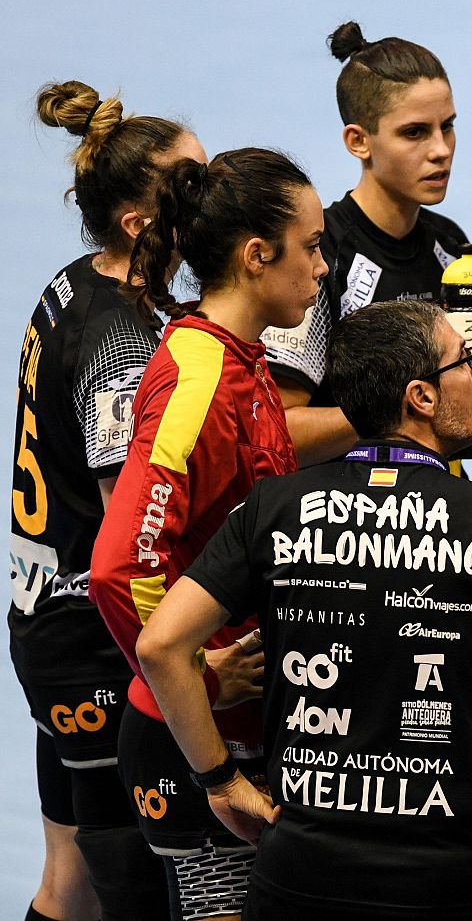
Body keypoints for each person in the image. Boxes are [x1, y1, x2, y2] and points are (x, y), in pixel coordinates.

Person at [133, 300, 472, 921]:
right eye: (467, 361)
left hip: (301, 874)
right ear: (420, 398)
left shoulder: (274, 507)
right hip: (453, 880)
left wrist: (218, 780)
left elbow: (159, 647)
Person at [88, 148, 326, 921]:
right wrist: (198, 673)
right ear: (258, 256)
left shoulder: (242, 362)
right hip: (201, 748)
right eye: (313, 247)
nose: (322, 269)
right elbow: (119, 568)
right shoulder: (197, 383)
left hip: (246, 729)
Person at [12, 82, 204, 921]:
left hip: (44, 616)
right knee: (131, 887)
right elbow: (134, 536)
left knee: (71, 881)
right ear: (138, 224)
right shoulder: (122, 343)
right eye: (194, 185)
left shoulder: (75, 282)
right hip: (94, 645)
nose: (217, 195)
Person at [264, 21, 472, 464]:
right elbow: (279, 427)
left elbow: (469, 397)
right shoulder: (323, 254)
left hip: (439, 500)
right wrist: (409, 411)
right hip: (347, 514)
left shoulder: (452, 247)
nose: (441, 149)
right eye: (415, 132)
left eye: (448, 126)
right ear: (358, 141)